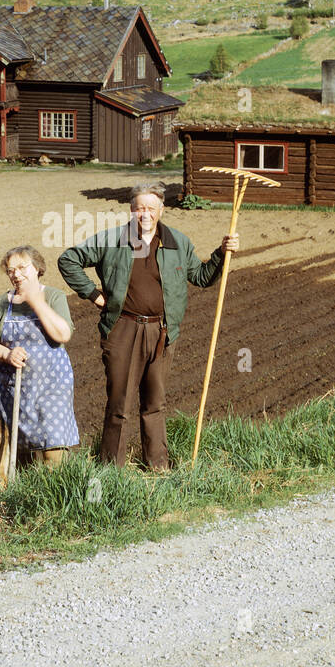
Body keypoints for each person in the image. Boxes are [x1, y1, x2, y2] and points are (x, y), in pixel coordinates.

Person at [58, 183, 238, 471]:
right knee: (120, 405)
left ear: (161, 210)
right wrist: (93, 294)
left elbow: (202, 277)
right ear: (132, 209)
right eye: (140, 207)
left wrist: (222, 253)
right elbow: (68, 260)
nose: (145, 213)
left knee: (155, 403)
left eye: (151, 208)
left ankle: (157, 466)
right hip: (123, 330)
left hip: (162, 333)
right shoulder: (112, 239)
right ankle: (110, 471)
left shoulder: (178, 242)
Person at [0, 246, 79, 467]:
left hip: (51, 386)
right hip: (12, 387)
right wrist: (6, 353)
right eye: (10, 270)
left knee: (53, 446)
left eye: (21, 268)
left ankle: (57, 496)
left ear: (37, 268)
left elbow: (62, 334)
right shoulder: (2, 303)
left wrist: (35, 301)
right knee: (16, 449)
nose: (15, 274)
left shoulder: (54, 296)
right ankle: (24, 496)